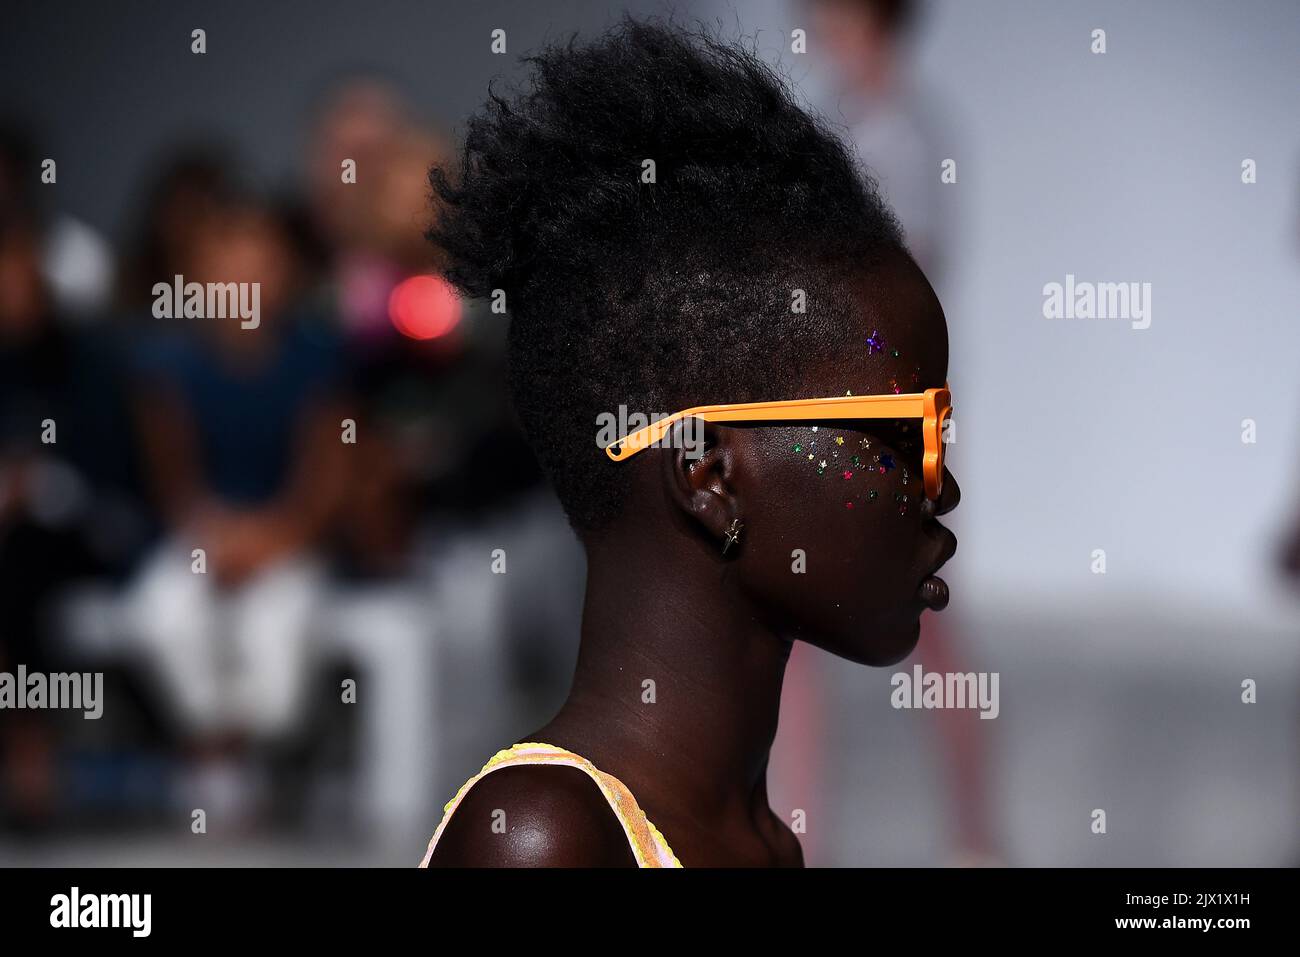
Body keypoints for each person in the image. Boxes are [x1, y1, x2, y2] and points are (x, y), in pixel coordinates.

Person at [420, 18, 959, 867]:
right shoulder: (543, 838)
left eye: (943, 428)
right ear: (712, 477)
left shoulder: (762, 841)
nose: (943, 483)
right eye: (908, 433)